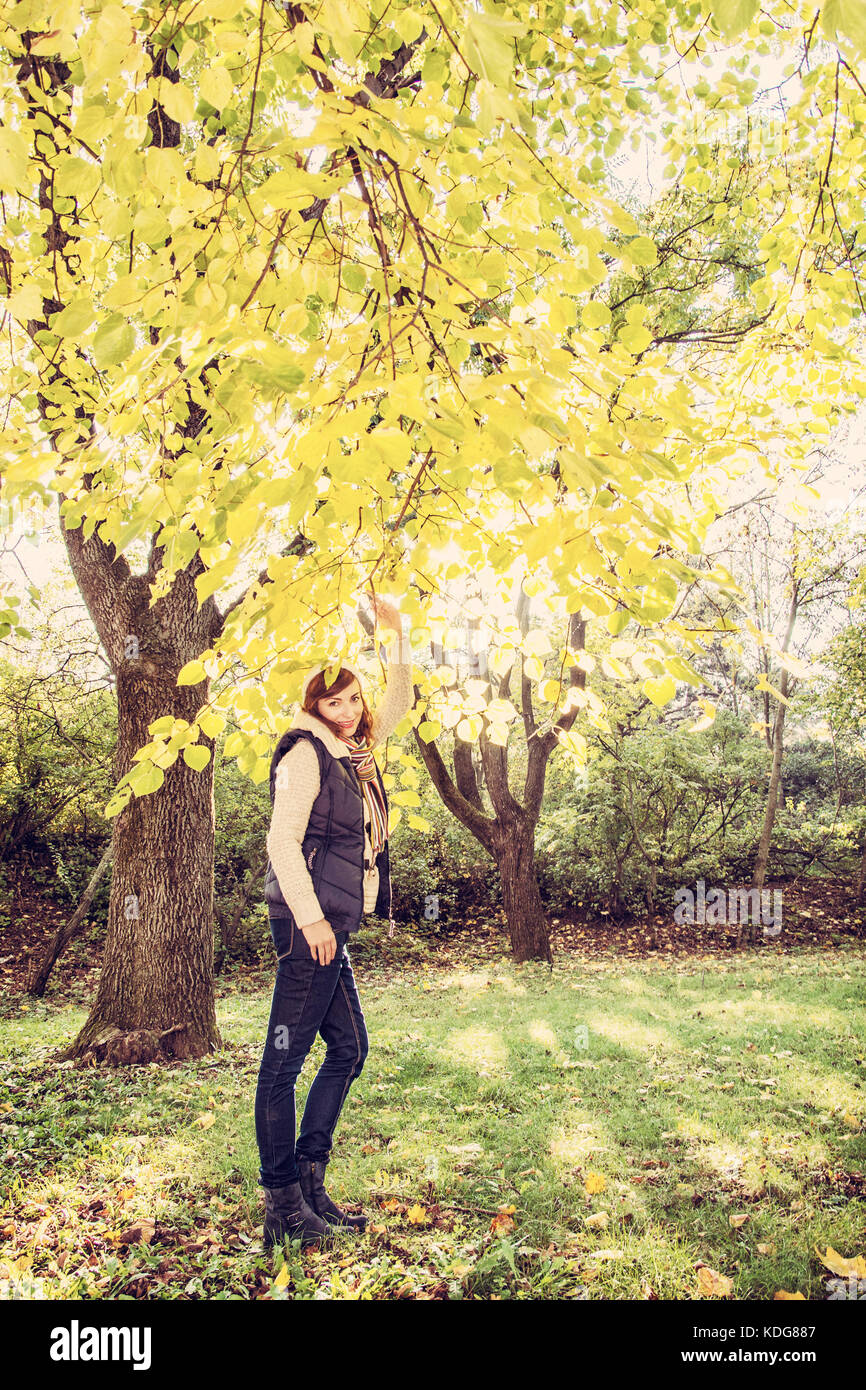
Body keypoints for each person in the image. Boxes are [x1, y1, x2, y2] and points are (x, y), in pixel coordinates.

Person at [254, 596, 414, 1250]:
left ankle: (312, 1185)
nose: (347, 711)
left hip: (332, 927)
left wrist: (396, 634)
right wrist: (314, 920)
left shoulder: (348, 753)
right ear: (312, 707)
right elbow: (281, 844)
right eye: (333, 702)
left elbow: (399, 704)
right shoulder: (304, 755)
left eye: (352, 699)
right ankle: (283, 1208)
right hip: (307, 929)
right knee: (280, 1067)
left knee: (349, 1049)